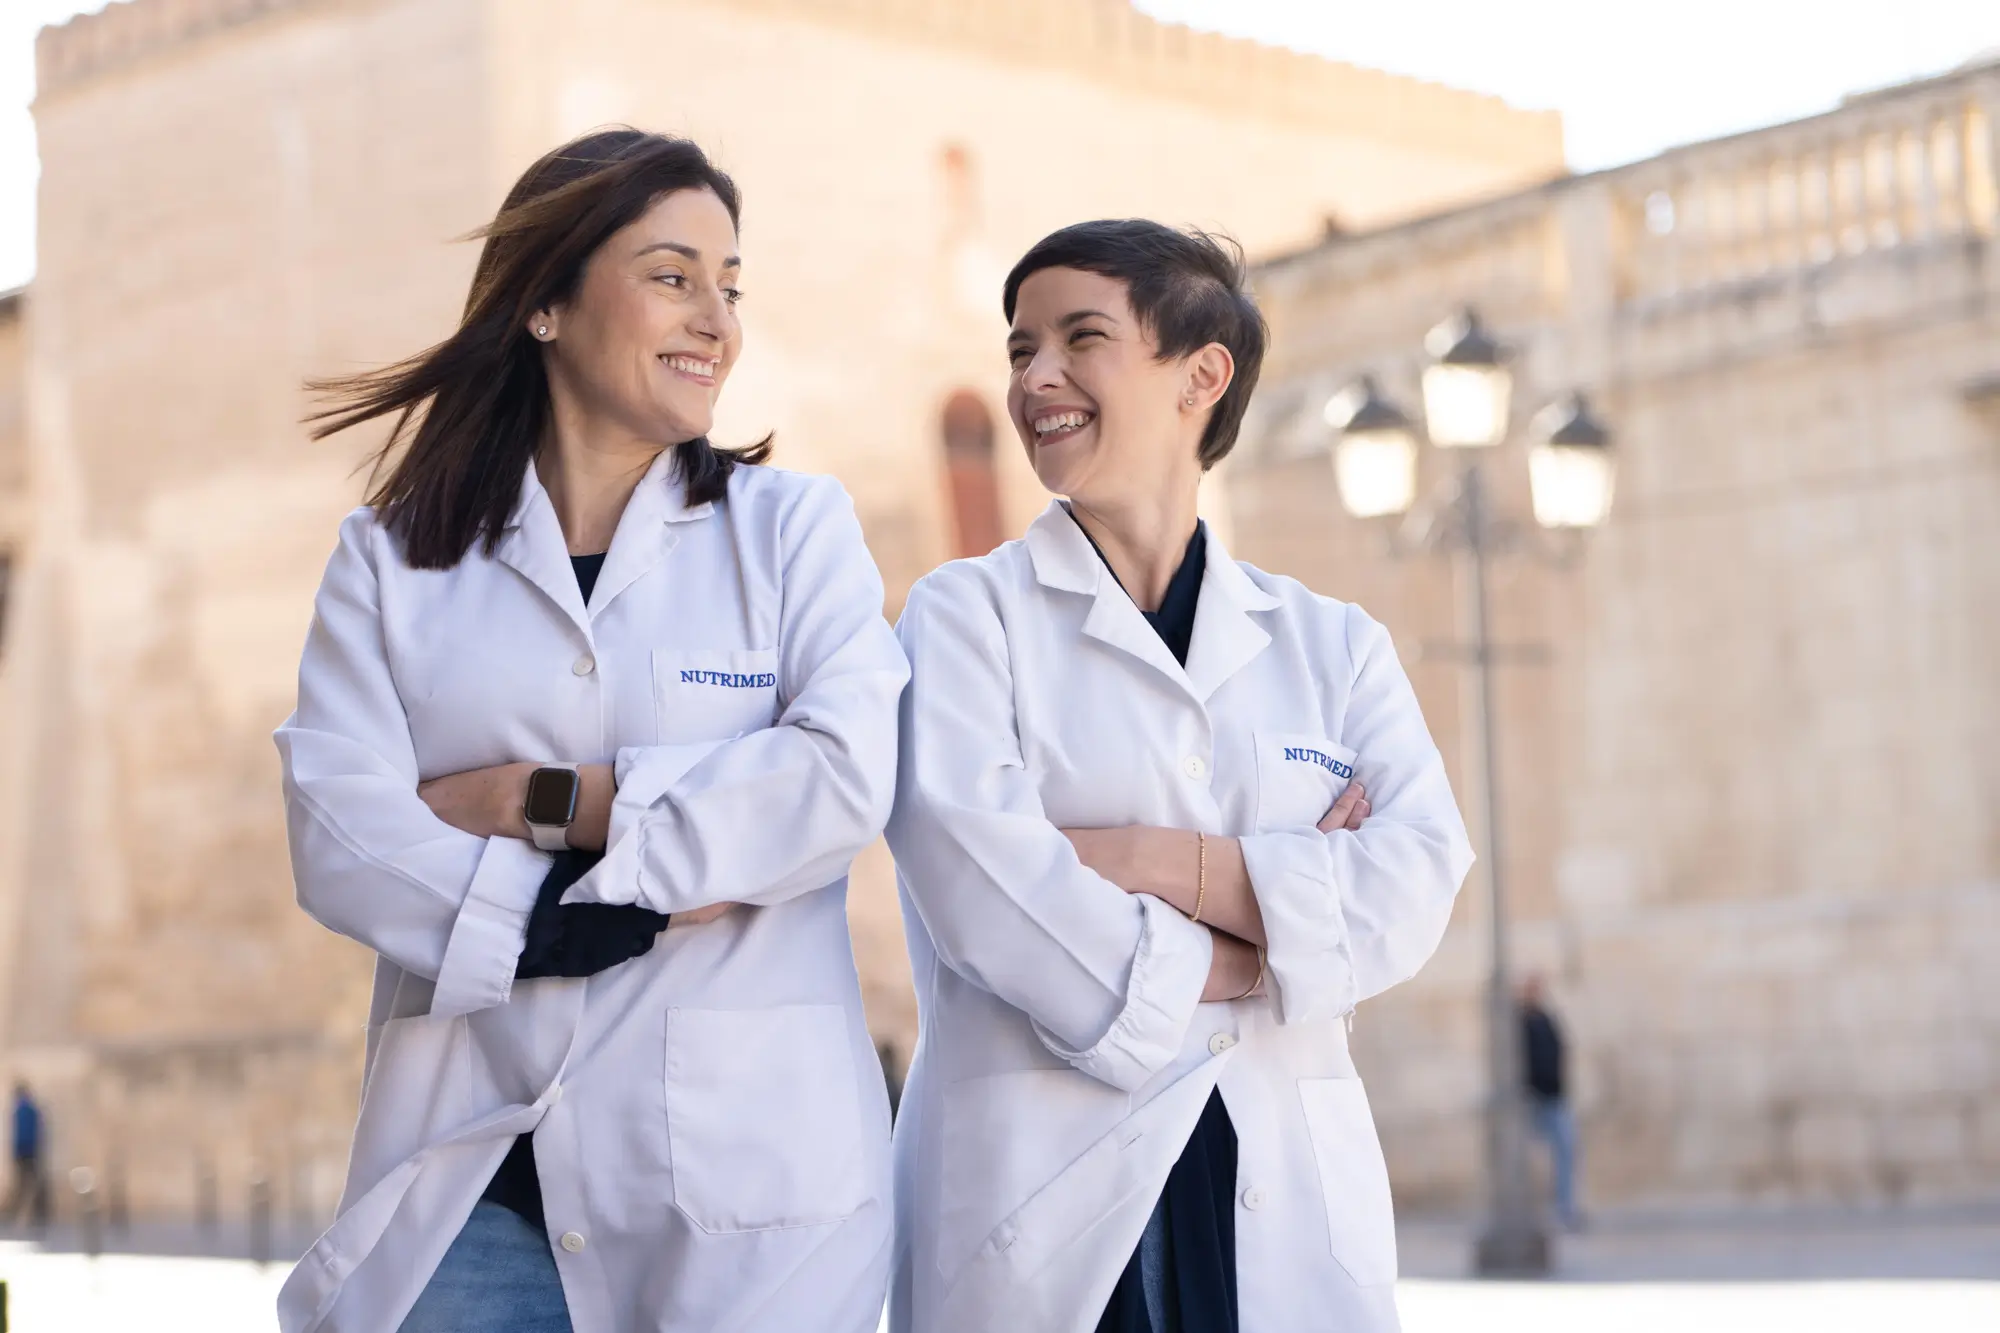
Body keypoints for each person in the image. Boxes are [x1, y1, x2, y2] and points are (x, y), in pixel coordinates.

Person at [274, 130, 907, 1333]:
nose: (715, 319)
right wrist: (613, 908)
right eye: (672, 275)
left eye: (730, 285)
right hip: (465, 1194)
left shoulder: (791, 533)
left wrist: (530, 800)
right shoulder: (393, 561)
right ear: (546, 304)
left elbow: (837, 779)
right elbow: (336, 830)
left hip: (744, 1201)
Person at [886, 220, 1475, 1333]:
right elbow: (987, 896)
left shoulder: (1331, 644)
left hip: (1277, 1196)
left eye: (1079, 338)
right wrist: (1271, 938)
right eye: (1018, 350)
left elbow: (1414, 881)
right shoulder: (963, 621)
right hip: (1047, 1209)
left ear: (1200, 374)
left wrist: (1153, 862)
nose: (1034, 379)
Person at [1521, 975, 1581, 1230]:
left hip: (1555, 1097)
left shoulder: (1546, 1018)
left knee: (1566, 1151)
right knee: (1531, 1158)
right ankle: (1537, 1211)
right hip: (1534, 1100)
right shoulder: (1520, 1021)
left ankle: (1564, 1208)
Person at [4, 1082, 50, 1231]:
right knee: (29, 1184)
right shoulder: (30, 1109)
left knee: (23, 1185)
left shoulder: (21, 1110)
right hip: (30, 1152)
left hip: (23, 1152)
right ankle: (33, 1216)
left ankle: (18, 1215)